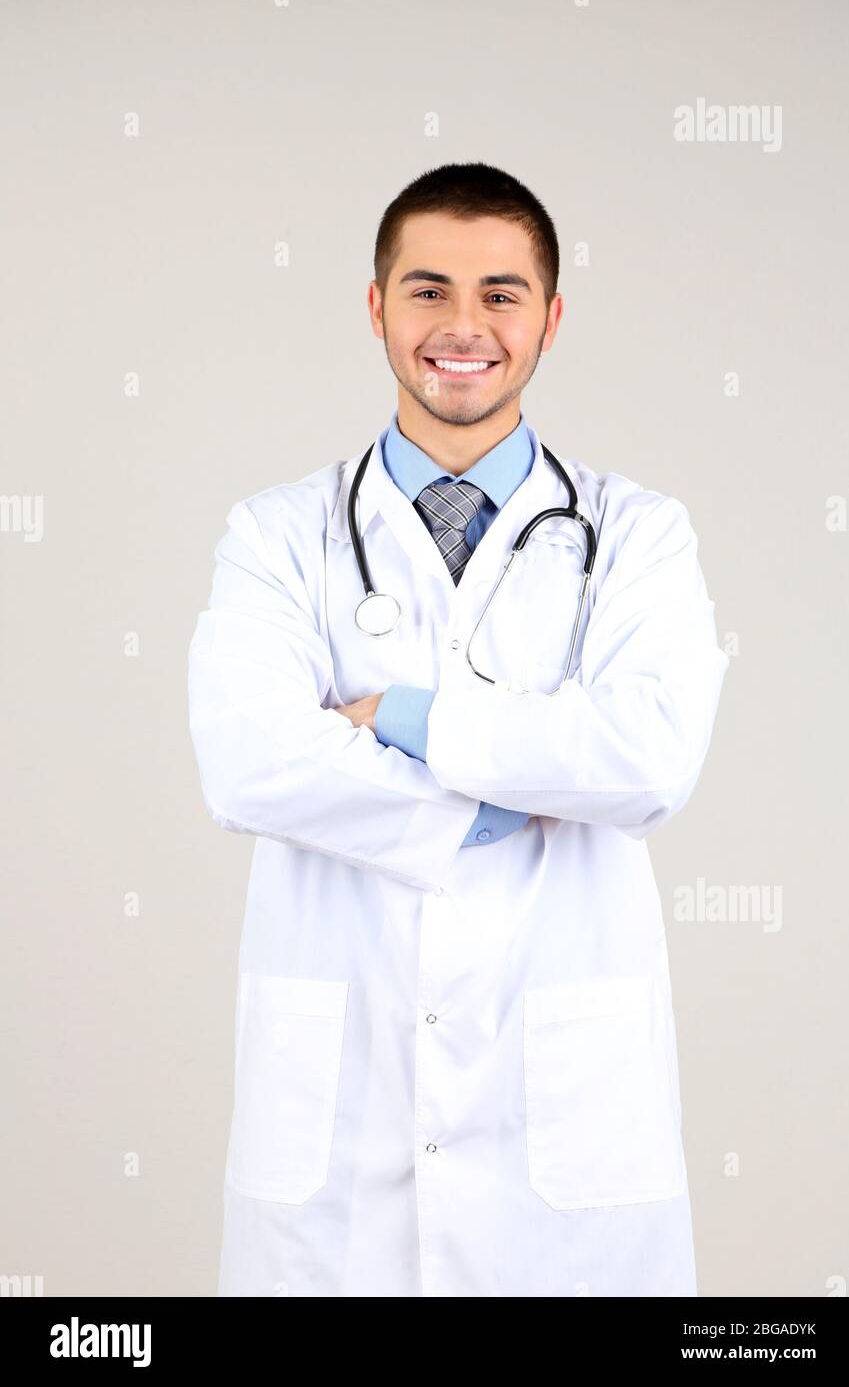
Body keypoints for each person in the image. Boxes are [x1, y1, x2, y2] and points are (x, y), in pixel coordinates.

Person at [187, 161, 729, 1297]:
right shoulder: (278, 536)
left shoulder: (636, 535)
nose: (463, 327)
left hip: (566, 1138)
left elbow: (646, 755)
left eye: (501, 293)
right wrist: (512, 790)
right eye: (427, 290)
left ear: (550, 318)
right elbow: (249, 763)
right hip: (338, 1140)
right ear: (376, 306)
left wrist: (404, 719)